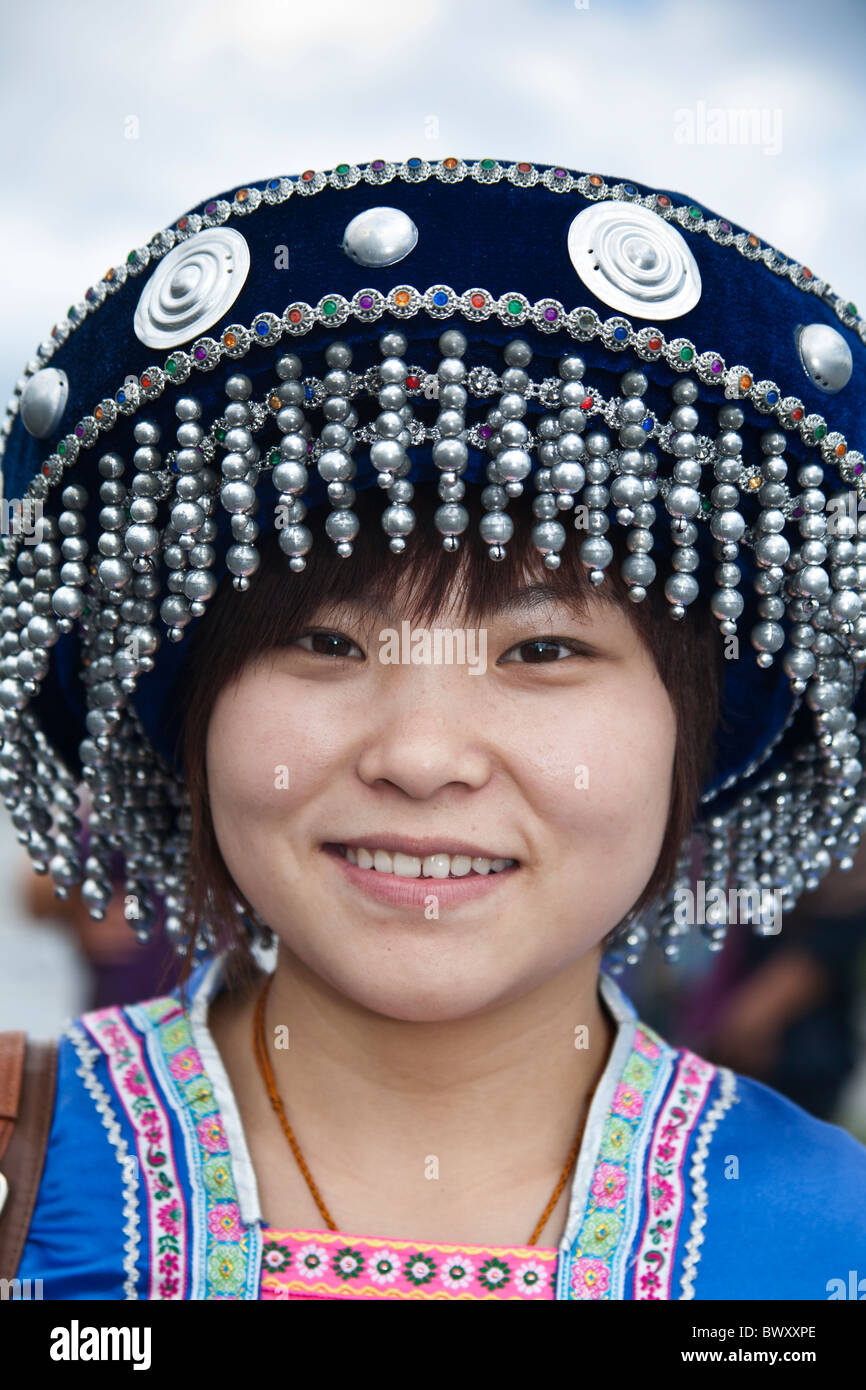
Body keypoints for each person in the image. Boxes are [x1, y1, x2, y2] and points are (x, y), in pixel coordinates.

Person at [2, 156, 866, 1301]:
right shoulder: (23, 1184)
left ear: (692, 736)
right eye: (325, 644)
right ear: (189, 708)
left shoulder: (829, 1249)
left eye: (542, 650)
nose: (418, 757)